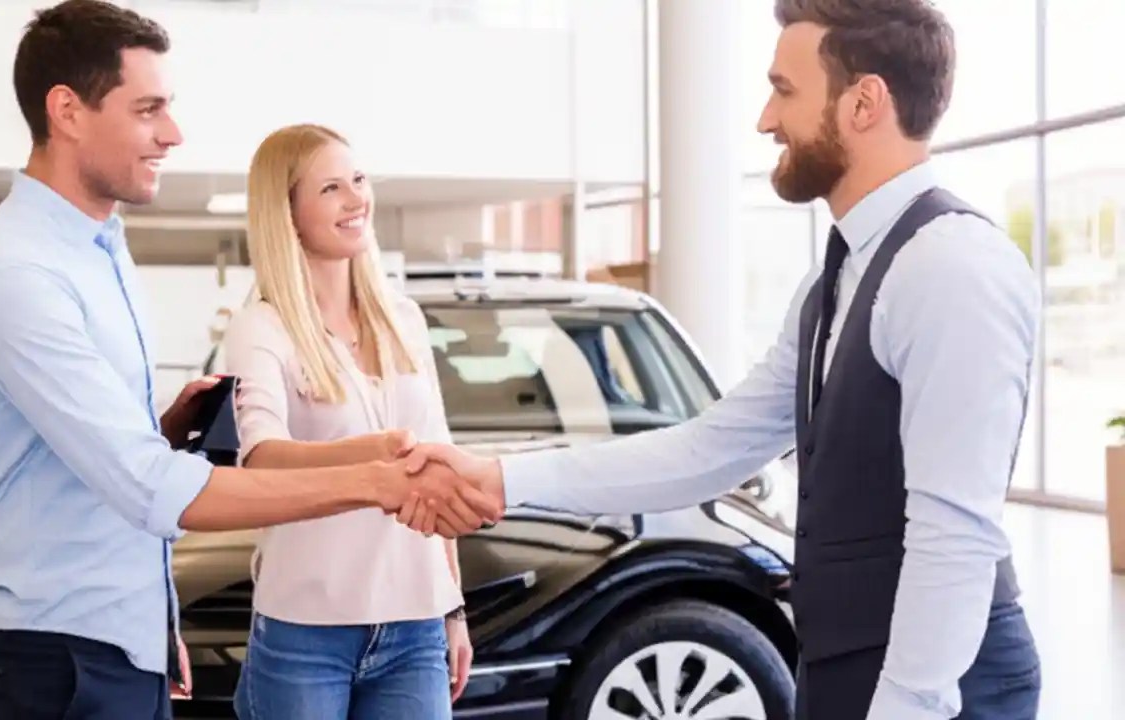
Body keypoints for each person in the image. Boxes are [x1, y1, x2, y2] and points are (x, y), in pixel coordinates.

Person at [400, 1, 1042, 719]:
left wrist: (907, 704)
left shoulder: (952, 266)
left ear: (865, 102)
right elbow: (710, 448)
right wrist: (500, 480)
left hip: (936, 682)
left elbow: (953, 532)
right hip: (849, 660)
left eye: (785, 90)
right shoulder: (840, 273)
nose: (766, 119)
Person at [0, 3, 499, 719]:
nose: (173, 133)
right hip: (61, 652)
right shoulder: (18, 275)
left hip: (116, 638)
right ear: (67, 111)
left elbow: (108, 461)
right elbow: (151, 487)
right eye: (149, 110)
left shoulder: (100, 255)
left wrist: (151, 611)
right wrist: (379, 479)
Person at [220, 123, 474, 719]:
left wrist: (454, 609)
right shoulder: (263, 326)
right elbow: (260, 457)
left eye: (358, 180)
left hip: (416, 623)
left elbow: (440, 463)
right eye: (332, 188)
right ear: (287, 213)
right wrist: (374, 454)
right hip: (306, 630)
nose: (357, 199)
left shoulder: (403, 319)